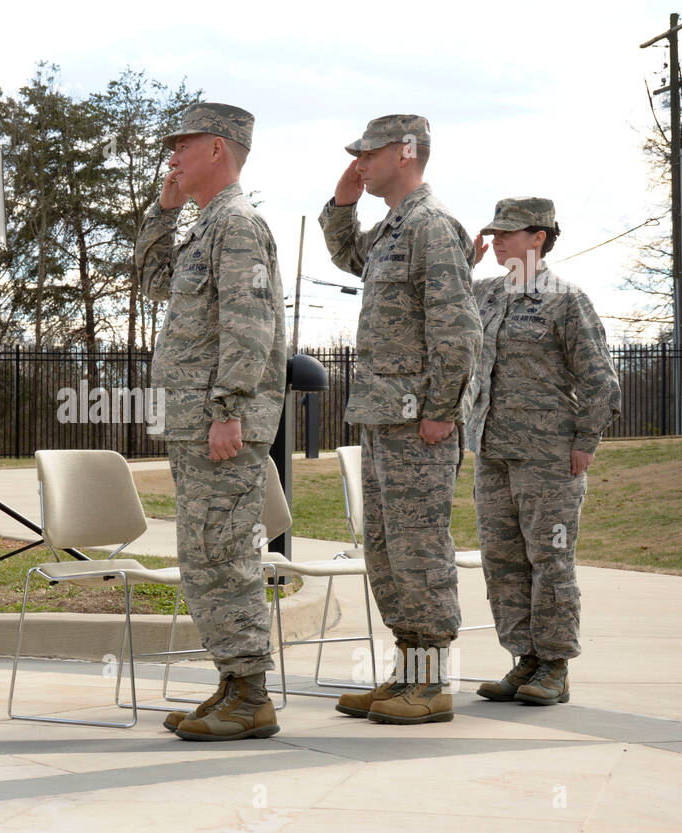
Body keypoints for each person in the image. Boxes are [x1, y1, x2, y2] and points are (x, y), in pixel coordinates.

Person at [320, 114, 481, 725]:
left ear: (406, 153)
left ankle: (433, 679)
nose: (360, 160)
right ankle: (407, 673)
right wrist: (344, 200)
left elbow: (457, 330)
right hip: (384, 417)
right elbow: (346, 254)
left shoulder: (432, 226)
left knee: (418, 548)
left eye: (369, 152)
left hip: (419, 421)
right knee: (387, 550)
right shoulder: (394, 227)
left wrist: (442, 410)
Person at [136, 103, 287, 741]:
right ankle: (231, 683)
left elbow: (250, 324)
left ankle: (251, 695)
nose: (171, 155)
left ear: (218, 150)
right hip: (193, 419)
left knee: (223, 554)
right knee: (204, 556)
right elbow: (148, 280)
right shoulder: (203, 227)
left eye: (182, 145)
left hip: (218, 422)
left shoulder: (240, 225)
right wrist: (163, 212)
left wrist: (228, 409)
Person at [468, 197, 621, 705]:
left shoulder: (564, 299)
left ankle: (554, 665)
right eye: (493, 234)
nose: (496, 243)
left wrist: (585, 442)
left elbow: (600, 382)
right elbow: (438, 311)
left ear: (539, 237)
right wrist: (461, 265)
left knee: (549, 559)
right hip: (493, 452)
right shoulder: (484, 295)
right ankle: (524, 659)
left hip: (549, 456)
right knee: (503, 561)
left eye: (507, 234)